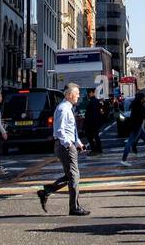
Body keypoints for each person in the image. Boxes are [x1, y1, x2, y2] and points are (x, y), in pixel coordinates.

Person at [37, 83, 89, 216]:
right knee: (74, 176)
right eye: (77, 93)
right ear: (70, 94)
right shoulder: (63, 109)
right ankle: (74, 207)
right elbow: (59, 131)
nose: (78, 96)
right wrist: (69, 145)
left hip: (67, 145)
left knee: (70, 176)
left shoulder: (68, 108)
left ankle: (46, 191)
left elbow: (70, 129)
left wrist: (78, 143)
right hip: (64, 146)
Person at [121, 86, 145, 163]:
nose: (144, 99)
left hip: (138, 126)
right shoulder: (139, 107)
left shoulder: (136, 105)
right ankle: (123, 159)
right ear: (141, 99)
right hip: (137, 127)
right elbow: (141, 117)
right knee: (130, 142)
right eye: (143, 98)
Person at [83, 87, 105, 154]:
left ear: (92, 93)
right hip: (95, 122)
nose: (88, 94)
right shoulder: (95, 101)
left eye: (89, 93)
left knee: (90, 136)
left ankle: (95, 150)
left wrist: (89, 123)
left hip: (92, 123)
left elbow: (93, 113)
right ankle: (98, 150)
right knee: (95, 136)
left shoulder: (92, 101)